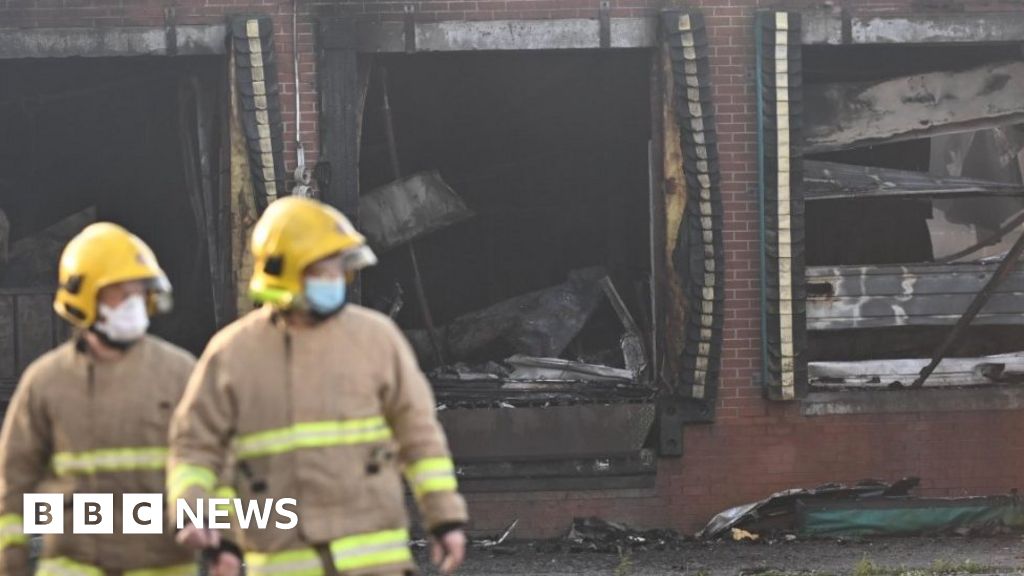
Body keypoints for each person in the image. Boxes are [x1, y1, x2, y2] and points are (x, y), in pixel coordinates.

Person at [169, 196, 469, 576]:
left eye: (338, 267)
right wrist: (200, 519)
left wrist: (445, 519)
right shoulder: (233, 354)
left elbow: (420, 437)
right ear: (281, 271)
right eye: (319, 270)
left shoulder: (377, 339)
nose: (333, 280)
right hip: (285, 559)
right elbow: (196, 447)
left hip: (374, 560)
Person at [0, 222, 240, 576]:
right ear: (84, 298)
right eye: (120, 294)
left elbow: (219, 461)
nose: (134, 305)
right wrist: (11, 563)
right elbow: (13, 485)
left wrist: (226, 545)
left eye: (140, 293)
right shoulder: (46, 383)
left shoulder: (179, 373)